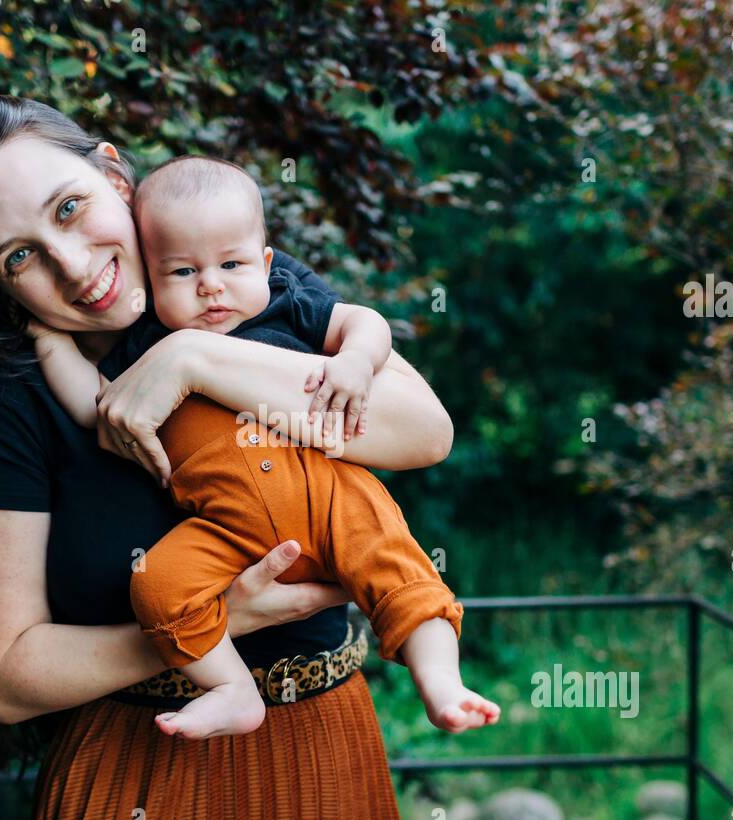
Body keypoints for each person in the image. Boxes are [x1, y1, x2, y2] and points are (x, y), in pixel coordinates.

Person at [0, 93, 460, 820]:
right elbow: (7, 678)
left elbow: (424, 431)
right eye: (19, 256)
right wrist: (228, 618)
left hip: (327, 749)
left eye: (69, 208)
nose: (75, 266)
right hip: (139, 771)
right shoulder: (5, 401)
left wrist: (194, 359)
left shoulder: (236, 278)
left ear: (116, 178)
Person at [30, 154, 500, 741]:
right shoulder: (146, 343)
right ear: (151, 279)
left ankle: (442, 683)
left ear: (266, 262)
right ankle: (231, 688)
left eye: (231, 263)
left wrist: (355, 359)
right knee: (157, 586)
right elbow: (99, 409)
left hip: (332, 497)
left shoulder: (287, 302)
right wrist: (51, 347)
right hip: (226, 528)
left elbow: (366, 323)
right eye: (181, 273)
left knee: (400, 571)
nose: (211, 285)